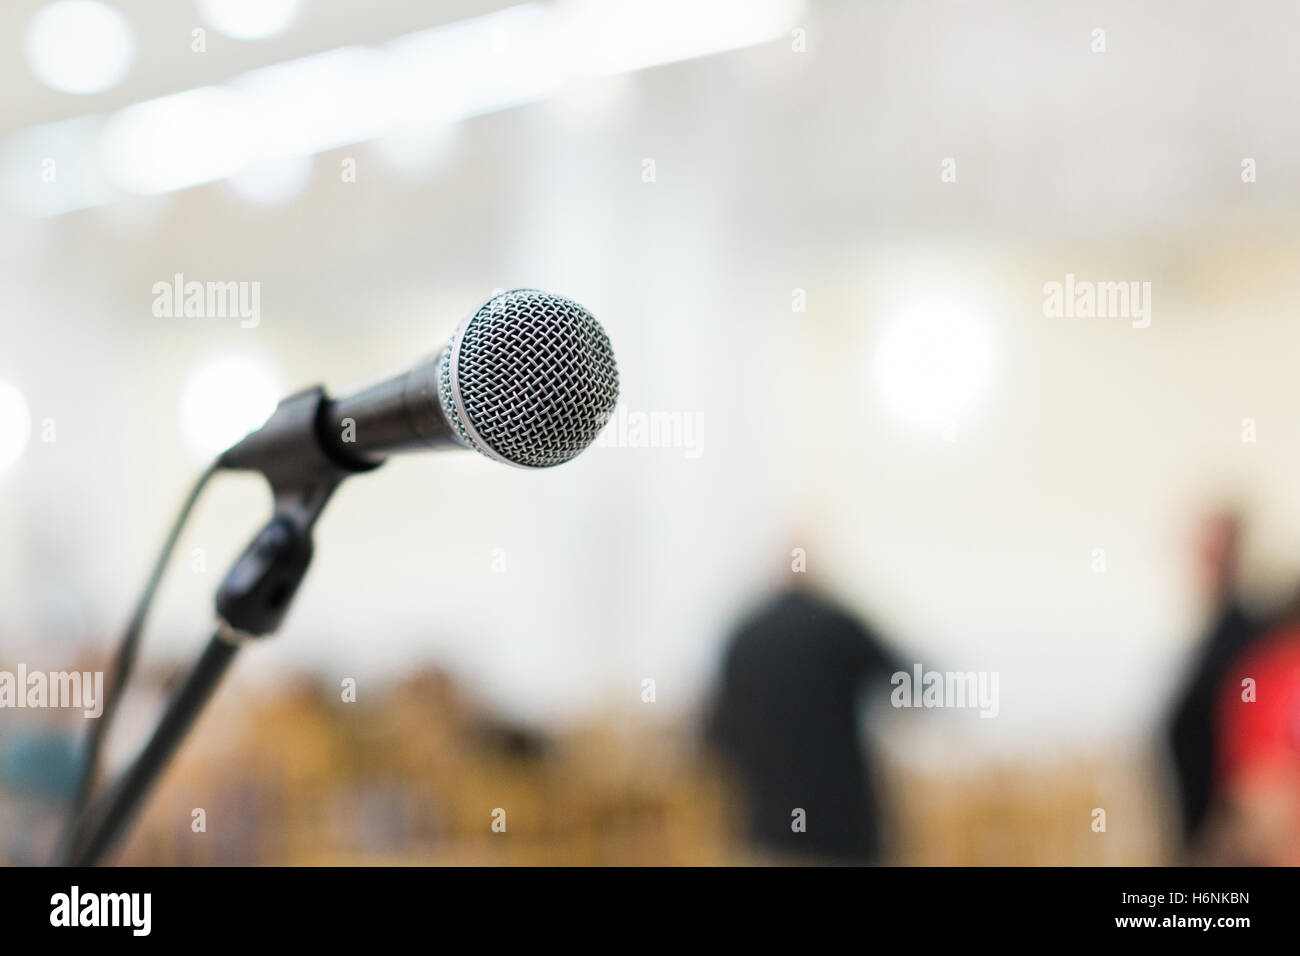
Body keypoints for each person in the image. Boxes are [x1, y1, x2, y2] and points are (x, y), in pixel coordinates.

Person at [706, 586, 904, 863]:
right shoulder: (839, 627)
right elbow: (905, 680)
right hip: (843, 837)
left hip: (767, 835)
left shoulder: (744, 638)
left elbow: (714, 739)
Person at [1166, 510, 1266, 853]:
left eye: (1213, 551)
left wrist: (1227, 831)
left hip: (1230, 836)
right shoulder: (1215, 635)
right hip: (1205, 834)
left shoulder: (1243, 637)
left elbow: (1256, 744)